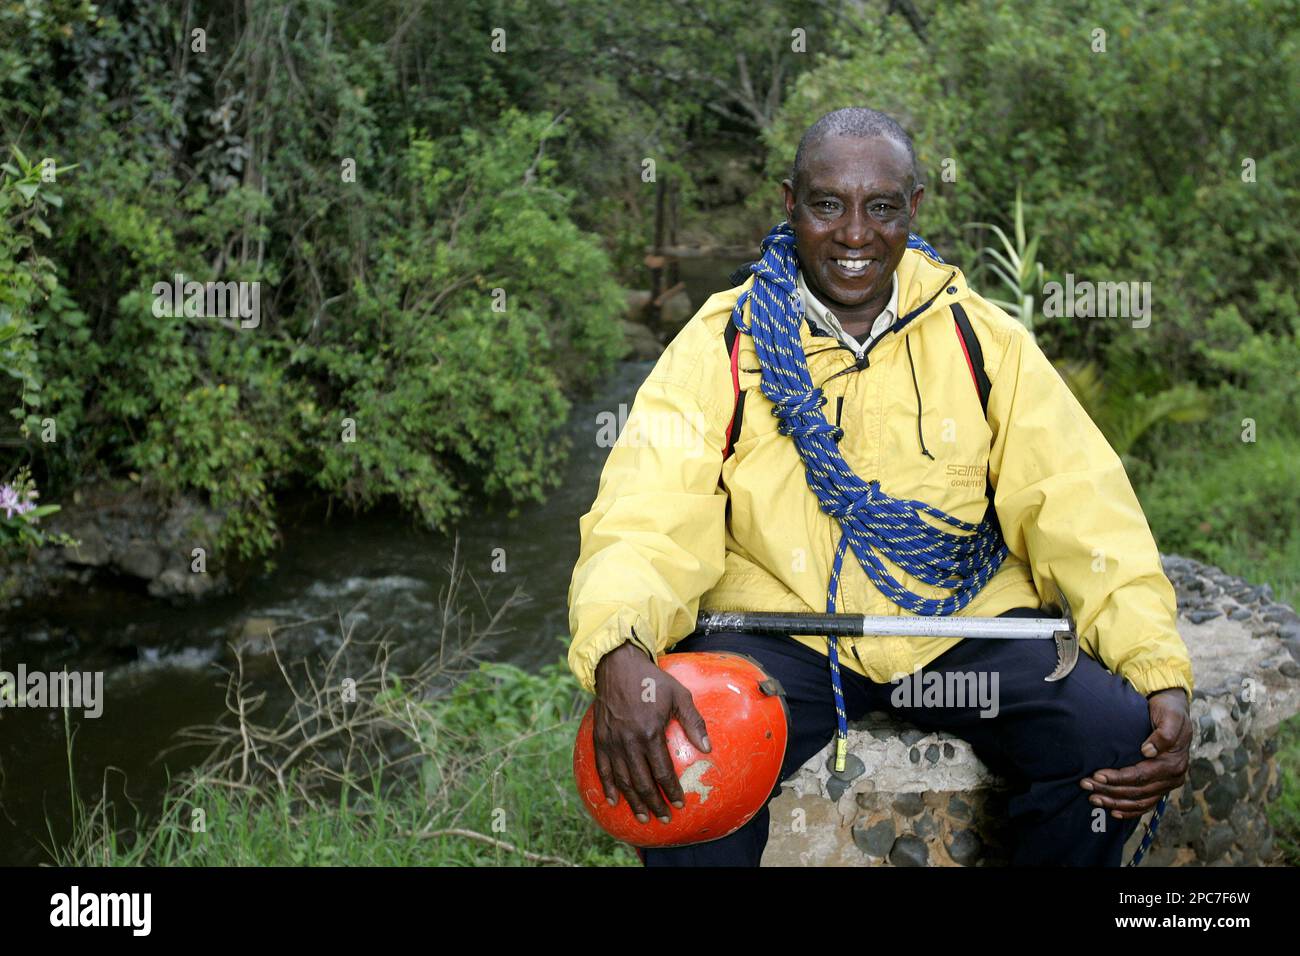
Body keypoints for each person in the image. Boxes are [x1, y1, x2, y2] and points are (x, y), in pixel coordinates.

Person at [566, 107, 1194, 866]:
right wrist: (619, 647)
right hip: (781, 633)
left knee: (1110, 736)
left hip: (959, 627)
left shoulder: (981, 339)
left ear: (914, 209)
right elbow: (646, 511)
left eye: (881, 207)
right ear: (789, 202)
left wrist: (1157, 668)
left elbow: (1082, 506)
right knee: (680, 764)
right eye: (828, 204)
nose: (855, 234)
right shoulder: (722, 342)